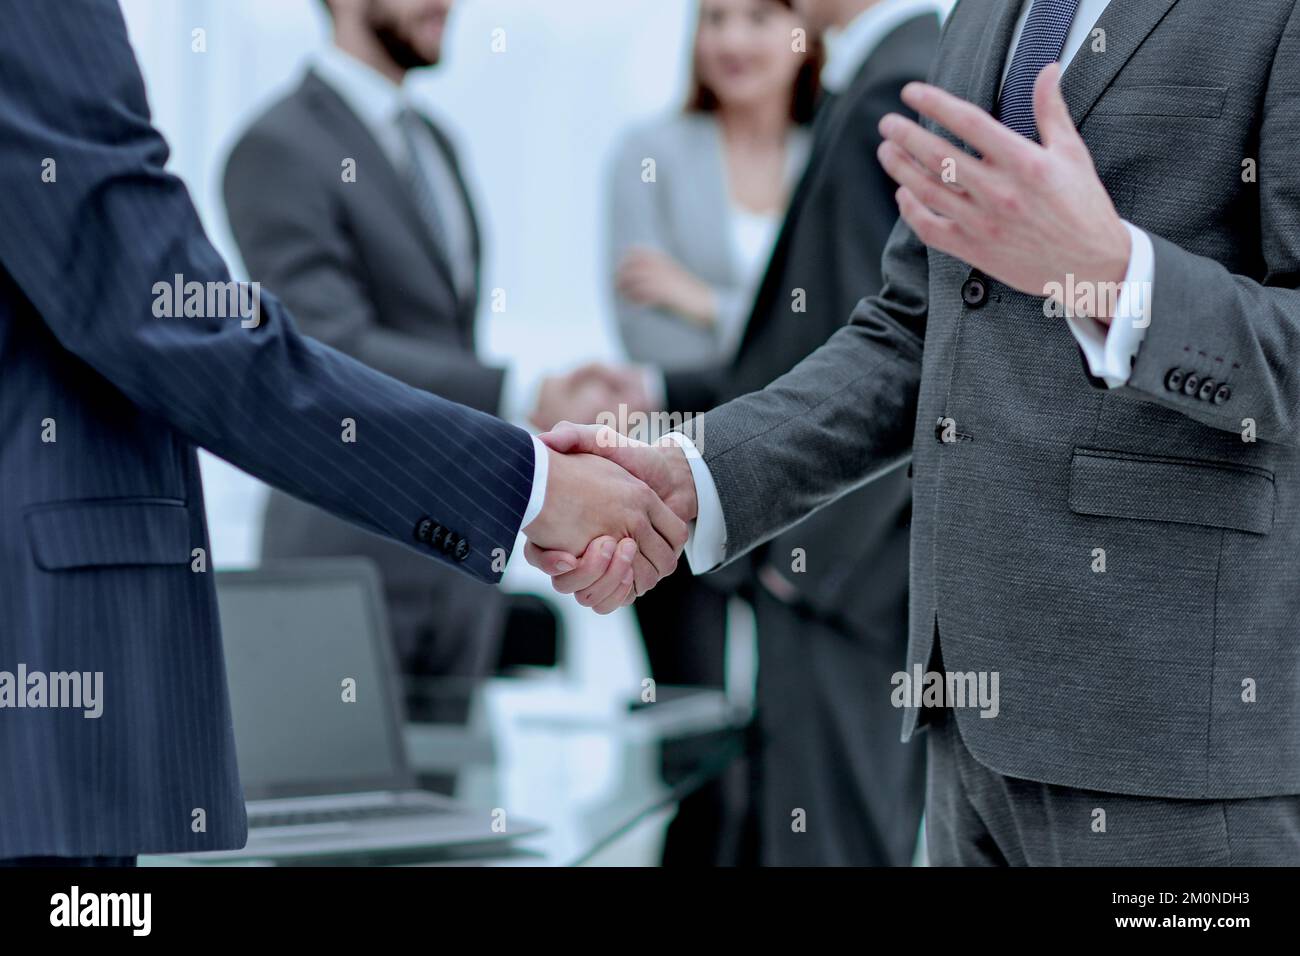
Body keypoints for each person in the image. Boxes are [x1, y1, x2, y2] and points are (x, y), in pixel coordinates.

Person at [535, 0, 1300, 865]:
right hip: (964, 724)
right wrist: (697, 476)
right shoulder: (980, 12)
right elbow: (915, 326)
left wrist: (1117, 279)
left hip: (1170, 739)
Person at [0, 0, 682, 866]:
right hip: (261, 583)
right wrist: (532, 480)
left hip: (442, 577)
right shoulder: (269, 139)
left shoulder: (440, 145)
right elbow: (190, 322)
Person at [638, 0, 941, 866]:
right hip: (845, 562)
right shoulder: (899, 63)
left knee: (828, 842)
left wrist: (799, 563)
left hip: (839, 570)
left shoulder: (896, 78)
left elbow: (887, 355)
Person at [223, 0, 595, 694]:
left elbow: (440, 331)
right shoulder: (277, 145)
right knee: (340, 800)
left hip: (455, 555)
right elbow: (329, 345)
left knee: (452, 803)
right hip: (344, 560)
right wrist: (521, 392)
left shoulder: (435, 141)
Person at [604, 0, 818, 865]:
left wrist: (703, 300)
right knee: (698, 763)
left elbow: (853, 335)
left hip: (812, 490)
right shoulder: (647, 155)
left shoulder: (833, 155)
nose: (732, 40)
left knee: (793, 756)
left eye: (759, 17)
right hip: (674, 481)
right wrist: (777, 338)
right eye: (715, 17)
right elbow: (644, 341)